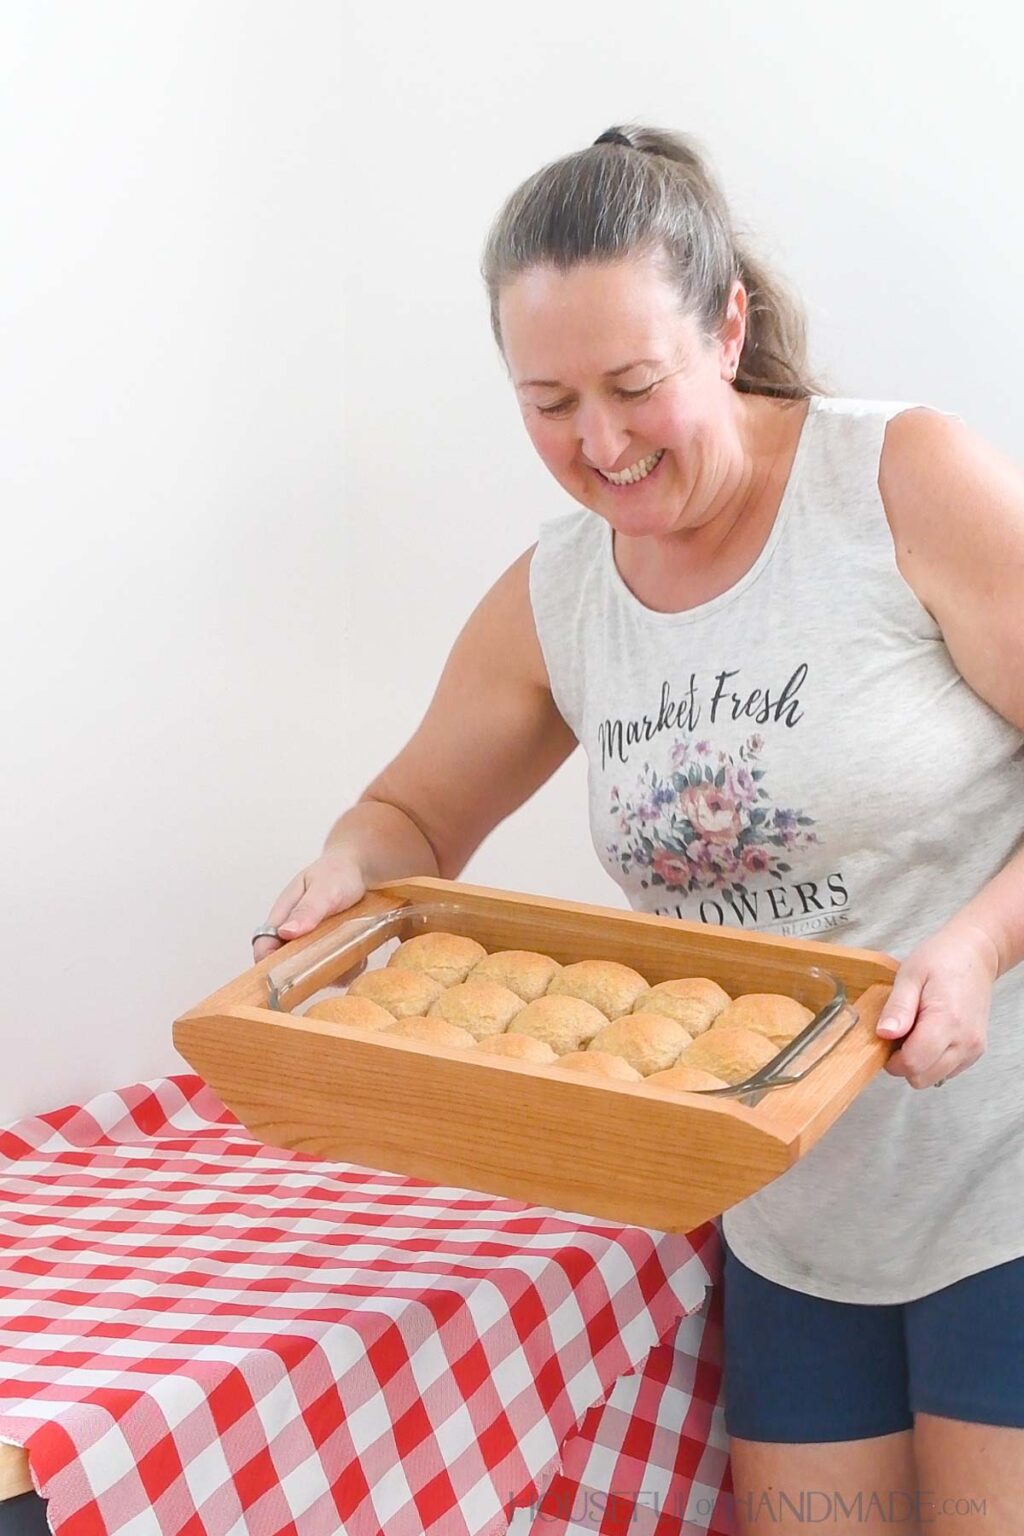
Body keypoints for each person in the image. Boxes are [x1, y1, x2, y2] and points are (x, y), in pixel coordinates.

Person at [251, 127, 1024, 1531]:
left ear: (727, 327)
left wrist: (974, 947)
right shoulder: (562, 596)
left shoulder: (896, 483)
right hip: (785, 1208)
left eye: (633, 386)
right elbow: (415, 812)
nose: (600, 445)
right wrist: (346, 869)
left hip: (1002, 1176)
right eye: (549, 403)